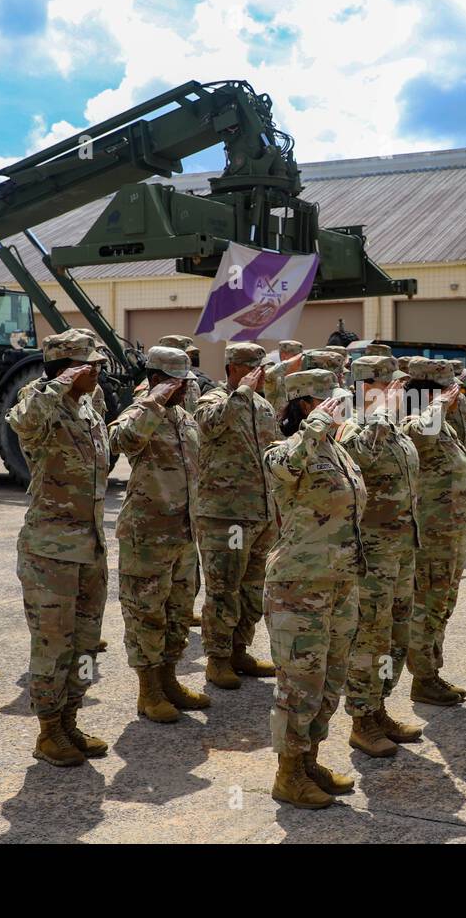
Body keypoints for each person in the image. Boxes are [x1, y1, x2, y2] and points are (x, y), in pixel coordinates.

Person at [6, 329, 111, 767]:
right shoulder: (40, 404)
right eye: (93, 366)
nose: (100, 372)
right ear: (71, 369)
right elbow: (23, 421)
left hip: (90, 545)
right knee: (53, 644)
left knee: (85, 643)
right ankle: (49, 731)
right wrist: (61, 384)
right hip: (51, 549)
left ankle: (70, 719)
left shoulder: (89, 406)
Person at [263, 369, 366, 809]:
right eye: (331, 402)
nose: (342, 408)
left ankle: (309, 761)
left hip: (340, 582)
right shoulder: (284, 450)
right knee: (299, 683)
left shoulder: (338, 450)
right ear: (307, 405)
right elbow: (284, 464)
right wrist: (316, 426)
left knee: (330, 680)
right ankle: (288, 775)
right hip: (298, 585)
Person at [108, 346, 212, 722]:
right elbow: (120, 440)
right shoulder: (141, 412)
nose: (185, 388)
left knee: (178, 612)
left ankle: (169, 680)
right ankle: (148, 691)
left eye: (186, 381)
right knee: (146, 614)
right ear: (155, 379)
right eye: (176, 382)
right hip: (147, 534)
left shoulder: (184, 417)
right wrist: (152, 401)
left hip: (183, 534)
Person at [338, 355, 422, 757]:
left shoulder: (395, 430)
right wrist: (379, 412)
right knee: (369, 637)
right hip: (371, 556)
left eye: (396, 384)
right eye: (386, 384)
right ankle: (361, 719)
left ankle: (380, 707)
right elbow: (357, 456)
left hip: (402, 551)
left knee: (395, 636)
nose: (396, 391)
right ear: (364, 387)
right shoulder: (354, 430)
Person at [194, 342, 280, 689]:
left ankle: (238, 649)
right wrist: (241, 392)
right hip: (226, 515)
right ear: (233, 369)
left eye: (261, 370)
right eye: (252, 369)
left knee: (252, 588)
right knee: (223, 588)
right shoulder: (212, 400)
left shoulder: (263, 406)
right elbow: (210, 426)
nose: (259, 376)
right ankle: (217, 659)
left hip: (261, 513)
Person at [401, 359, 466, 706]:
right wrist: (440, 403)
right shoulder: (412, 424)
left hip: (451, 532)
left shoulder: (443, 427)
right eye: (451, 389)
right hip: (431, 536)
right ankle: (424, 677)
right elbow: (419, 435)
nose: (458, 394)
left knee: (442, 605)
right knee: (427, 606)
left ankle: (430, 671)